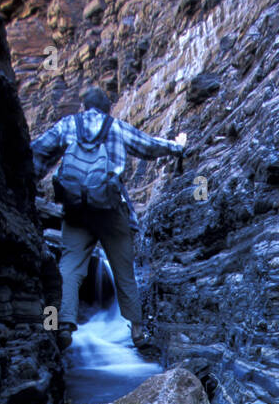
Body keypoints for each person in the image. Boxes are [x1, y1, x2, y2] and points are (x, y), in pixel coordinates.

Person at [31, 86, 187, 349]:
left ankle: (63, 326)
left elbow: (37, 151)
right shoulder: (116, 126)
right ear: (108, 108)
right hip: (111, 209)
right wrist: (178, 147)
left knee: (69, 267)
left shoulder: (68, 125)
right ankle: (137, 332)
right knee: (124, 270)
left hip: (75, 209)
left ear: (84, 107)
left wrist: (30, 182)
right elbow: (149, 146)